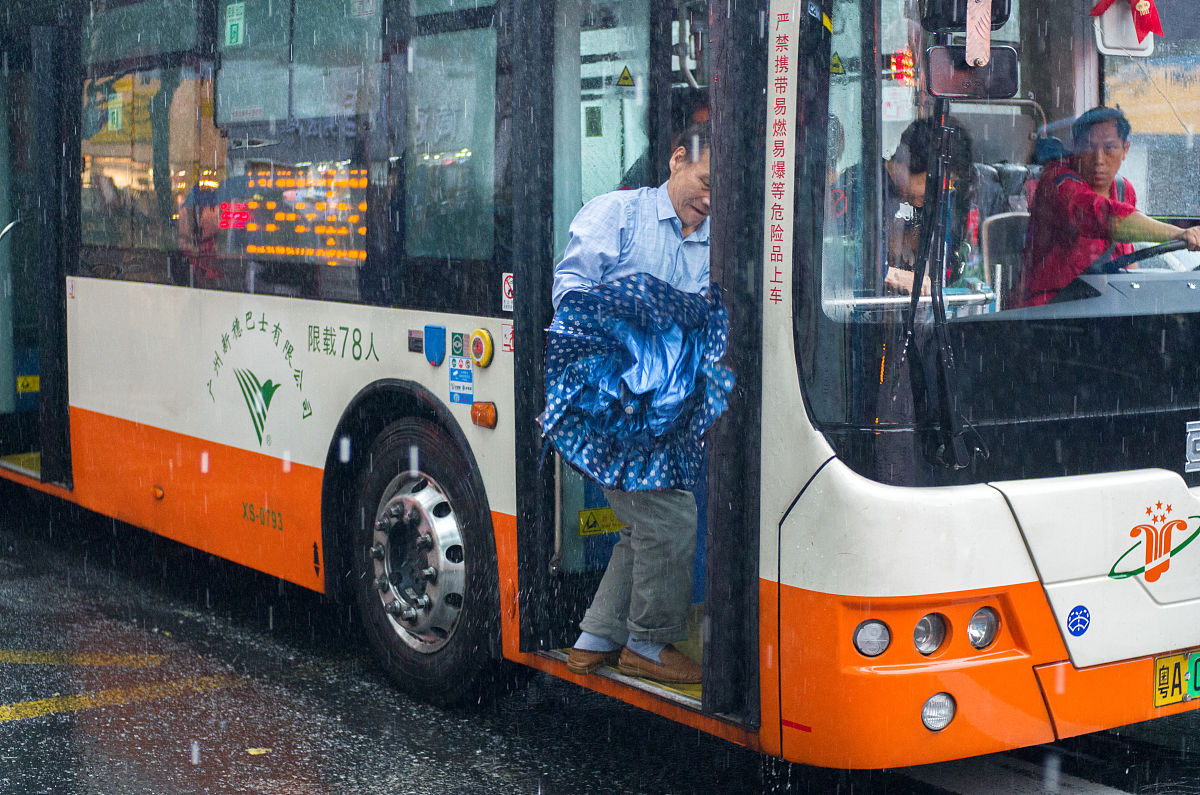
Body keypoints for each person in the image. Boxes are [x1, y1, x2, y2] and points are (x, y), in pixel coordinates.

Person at [554, 121, 711, 685]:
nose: (709, 201)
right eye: (704, 181)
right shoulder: (617, 216)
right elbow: (569, 293)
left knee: (644, 524)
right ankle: (647, 644)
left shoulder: (711, 241)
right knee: (671, 516)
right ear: (675, 160)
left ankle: (594, 639)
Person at [1018, 106, 1200, 307]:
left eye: (1109, 148)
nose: (1099, 160)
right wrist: (1179, 234)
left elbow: (1127, 261)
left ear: (1125, 150)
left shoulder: (1123, 190)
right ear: (1075, 147)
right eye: (1089, 147)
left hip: (1101, 307)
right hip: (1050, 310)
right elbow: (1105, 217)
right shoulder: (1057, 182)